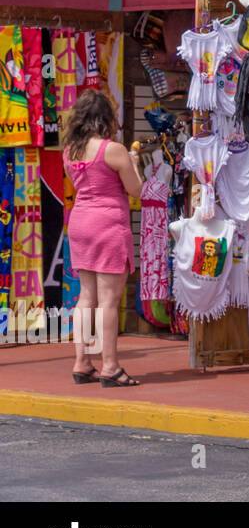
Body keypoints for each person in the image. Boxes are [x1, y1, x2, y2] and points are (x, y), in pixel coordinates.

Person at [65, 90, 143, 387]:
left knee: (86, 296)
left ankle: (82, 362)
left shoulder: (70, 150)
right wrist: (134, 163)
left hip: (81, 221)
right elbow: (136, 190)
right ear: (106, 117)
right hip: (108, 223)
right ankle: (110, 366)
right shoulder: (113, 149)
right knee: (108, 301)